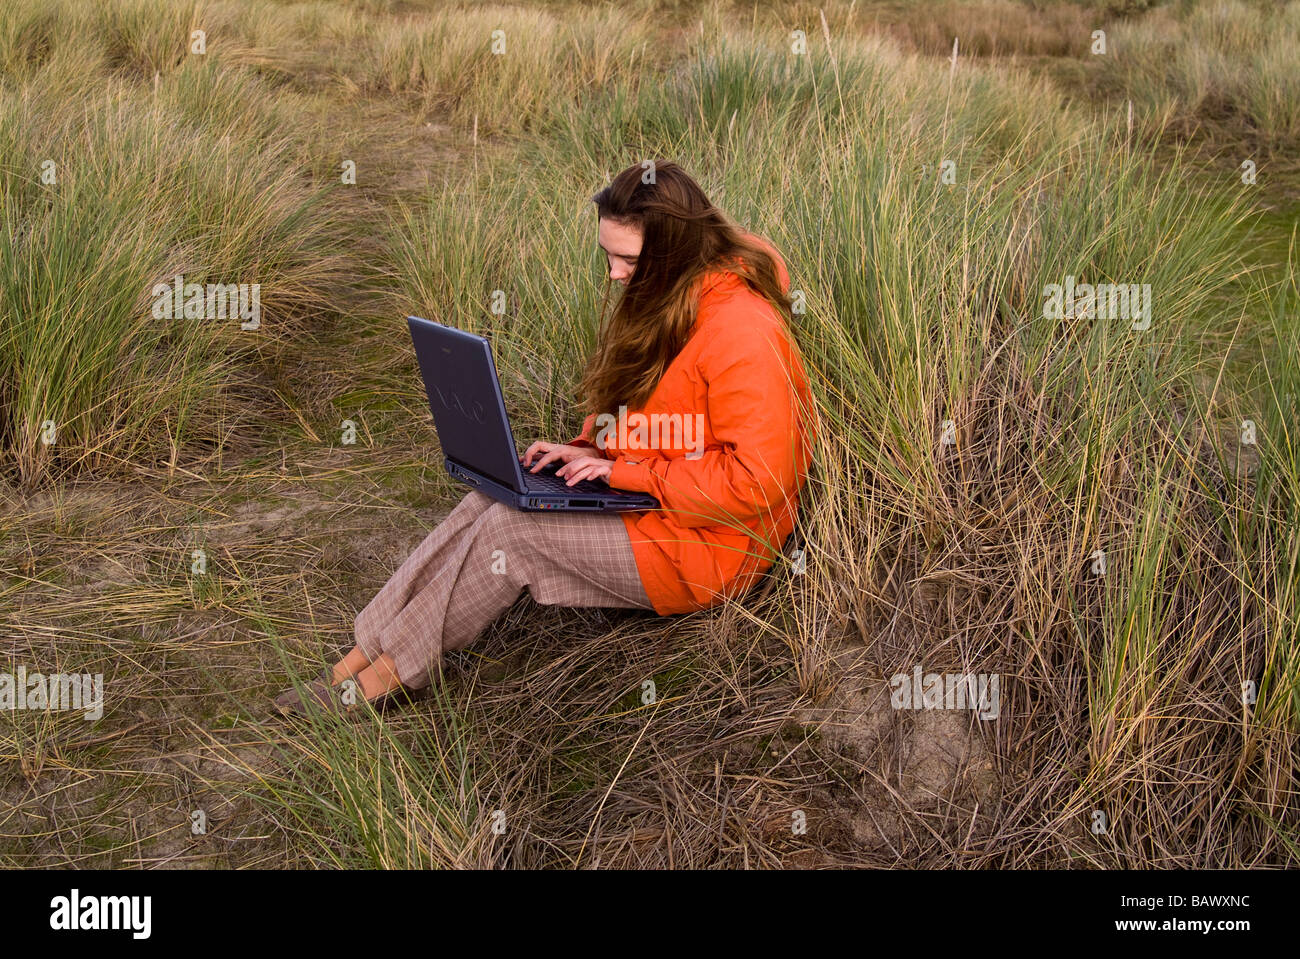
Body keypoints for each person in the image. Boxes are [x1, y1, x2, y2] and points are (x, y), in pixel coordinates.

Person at [274, 160, 817, 716]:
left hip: (712, 548)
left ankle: (385, 679)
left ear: (677, 250)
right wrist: (588, 448)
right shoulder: (679, 296)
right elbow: (662, 416)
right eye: (608, 255)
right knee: (493, 492)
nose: (614, 273)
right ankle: (360, 652)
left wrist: (628, 474)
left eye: (629, 259)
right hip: (657, 505)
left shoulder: (744, 332)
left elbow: (760, 481)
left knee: (513, 535)